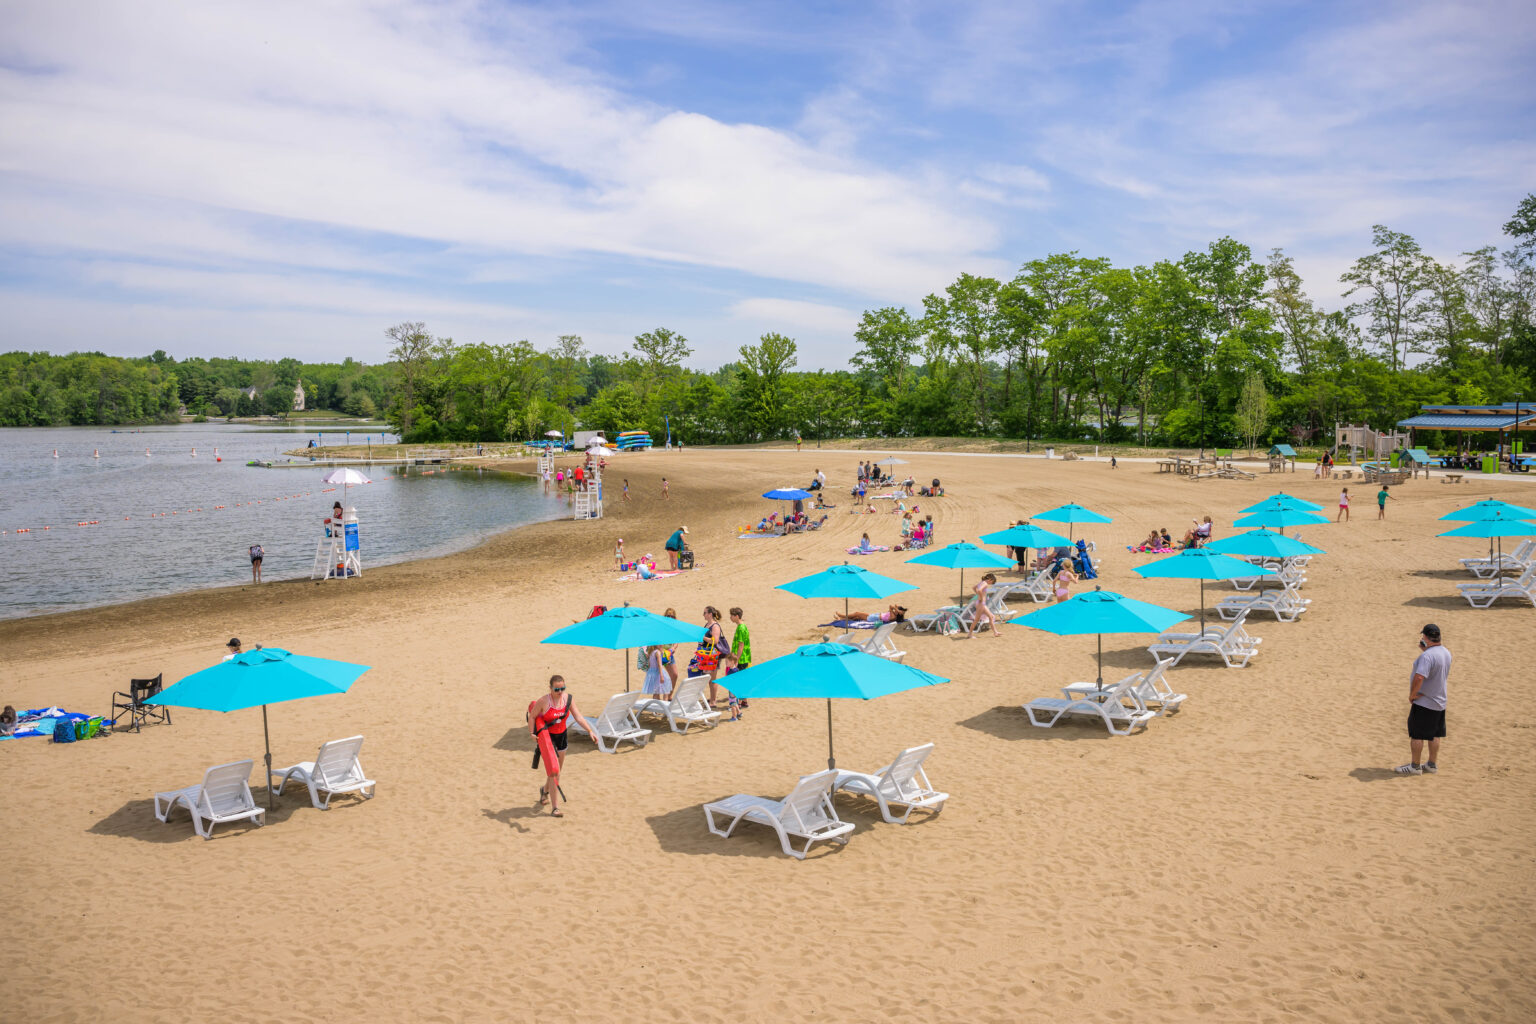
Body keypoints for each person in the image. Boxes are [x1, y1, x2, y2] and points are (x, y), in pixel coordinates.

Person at [528, 674, 599, 817]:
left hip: (562, 737)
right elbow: (532, 717)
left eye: (562, 688)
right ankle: (555, 808)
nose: (560, 692)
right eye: (556, 689)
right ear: (550, 688)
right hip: (548, 738)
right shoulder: (543, 701)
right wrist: (532, 733)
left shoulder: (568, 699)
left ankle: (545, 791)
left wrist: (589, 730)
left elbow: (578, 716)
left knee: (556, 770)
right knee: (556, 773)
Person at [1396, 624, 1451, 775]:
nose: (1421, 639)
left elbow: (1420, 677)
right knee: (1434, 734)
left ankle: (1415, 766)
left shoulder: (1427, 656)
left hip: (1425, 701)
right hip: (1440, 701)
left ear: (1426, 638)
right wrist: (1426, 650)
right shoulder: (1446, 652)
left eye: (1423, 637)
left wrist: (1412, 695)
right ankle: (1432, 764)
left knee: (1417, 735)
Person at [725, 607, 752, 721]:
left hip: (741, 659)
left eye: (732, 615)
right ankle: (744, 701)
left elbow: (741, 645)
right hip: (744, 657)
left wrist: (736, 660)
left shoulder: (741, 628)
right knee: (743, 679)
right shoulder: (742, 626)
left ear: (737, 616)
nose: (730, 617)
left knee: (739, 681)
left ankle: (739, 704)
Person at [968, 573, 1002, 638]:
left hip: (981, 603)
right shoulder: (985, 583)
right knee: (976, 620)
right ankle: (970, 634)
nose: (990, 584)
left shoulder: (982, 582)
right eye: (992, 582)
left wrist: (979, 595)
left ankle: (995, 632)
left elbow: (974, 588)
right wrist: (980, 597)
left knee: (991, 616)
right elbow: (979, 590)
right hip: (981, 603)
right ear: (990, 579)